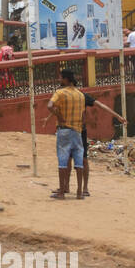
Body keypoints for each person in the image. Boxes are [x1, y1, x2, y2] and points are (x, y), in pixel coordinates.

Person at [47, 69, 87, 200]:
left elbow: (50, 105)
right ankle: (79, 192)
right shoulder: (81, 95)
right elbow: (83, 115)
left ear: (65, 79)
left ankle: (62, 192)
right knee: (79, 160)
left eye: (61, 78)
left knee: (63, 161)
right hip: (77, 131)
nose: (60, 80)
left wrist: (59, 116)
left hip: (64, 130)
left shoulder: (60, 93)